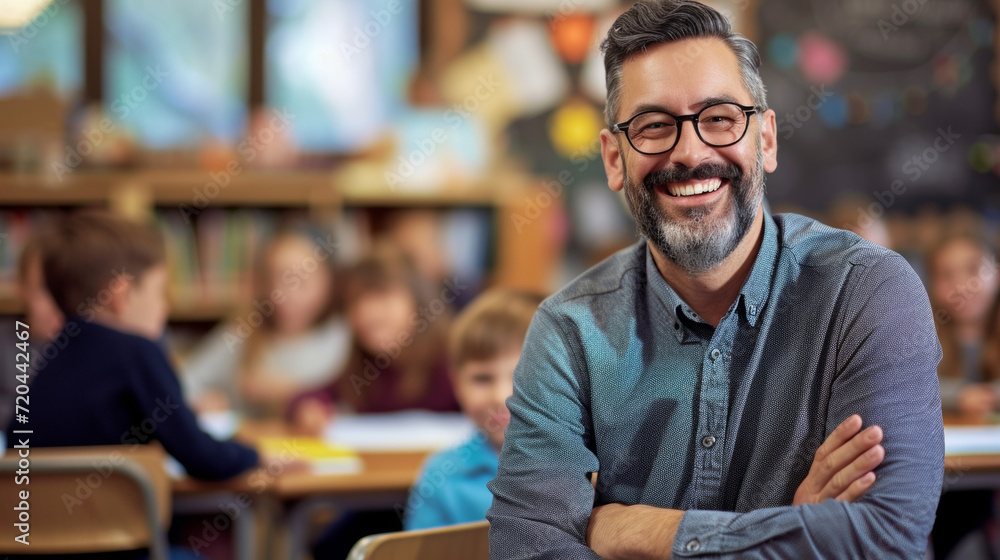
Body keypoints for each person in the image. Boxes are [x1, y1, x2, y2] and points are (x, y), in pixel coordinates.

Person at [486, 2, 944, 558]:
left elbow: (885, 540)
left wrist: (636, 531)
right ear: (613, 159)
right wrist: (793, 527)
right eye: (653, 126)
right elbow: (528, 547)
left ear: (766, 140)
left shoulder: (865, 292)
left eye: (720, 118)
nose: (691, 152)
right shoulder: (568, 332)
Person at [5, 211, 259, 481]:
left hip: (37, 521)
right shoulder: (136, 352)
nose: (165, 307)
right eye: (160, 292)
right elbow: (205, 458)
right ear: (122, 295)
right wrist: (254, 454)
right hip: (120, 522)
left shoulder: (55, 354)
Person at [289, 242, 461, 560]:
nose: (368, 312)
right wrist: (307, 407)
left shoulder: (452, 359)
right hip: (380, 503)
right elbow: (314, 394)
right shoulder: (366, 367)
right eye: (357, 301)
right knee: (328, 546)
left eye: (382, 296)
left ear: (419, 303)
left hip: (443, 502)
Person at [403, 289, 543, 530]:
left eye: (522, 376)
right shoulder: (441, 476)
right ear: (456, 383)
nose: (501, 396)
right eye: (481, 379)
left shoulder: (594, 469)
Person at [180, 226, 350, 418]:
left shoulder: (345, 339)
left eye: (301, 283)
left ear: (329, 282)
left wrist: (288, 393)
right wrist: (202, 401)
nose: (285, 295)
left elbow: (352, 404)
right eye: (275, 279)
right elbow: (184, 381)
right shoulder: (244, 331)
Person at [926, 234, 1000, 418]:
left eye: (973, 269)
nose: (961, 286)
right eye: (946, 275)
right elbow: (909, 385)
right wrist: (959, 396)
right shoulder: (923, 337)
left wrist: (991, 396)